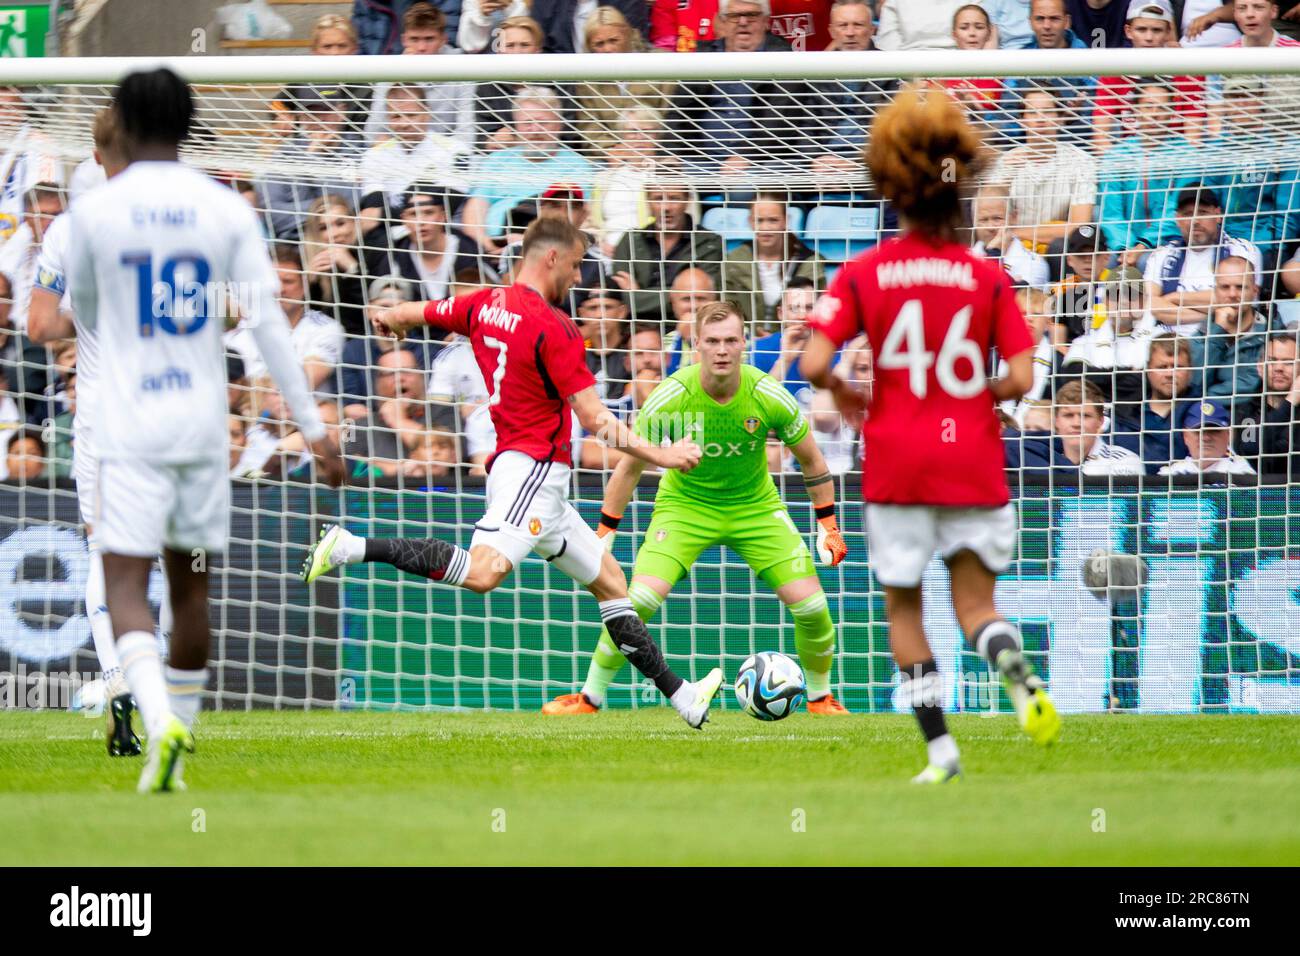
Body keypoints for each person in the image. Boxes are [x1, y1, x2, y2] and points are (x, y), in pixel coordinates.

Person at [301, 217, 726, 729]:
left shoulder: (485, 303)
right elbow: (597, 422)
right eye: (573, 267)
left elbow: (425, 311)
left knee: (613, 584)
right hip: (533, 472)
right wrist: (666, 456)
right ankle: (349, 545)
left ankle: (683, 697)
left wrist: (393, 315)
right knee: (483, 574)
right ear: (550, 258)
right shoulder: (554, 327)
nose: (577, 278)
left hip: (537, 478)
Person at [64, 67, 343, 793]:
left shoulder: (95, 210)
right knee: (193, 592)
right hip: (199, 424)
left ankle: (158, 719)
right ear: (189, 126)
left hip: (127, 422)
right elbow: (266, 323)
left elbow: (83, 312)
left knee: (124, 579)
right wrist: (313, 427)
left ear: (120, 124)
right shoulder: (224, 209)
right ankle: (178, 737)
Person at [801, 87, 1059, 783]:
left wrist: (853, 395)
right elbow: (1022, 375)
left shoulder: (865, 271)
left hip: (898, 460)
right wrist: (976, 392)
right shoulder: (986, 277)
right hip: (971, 454)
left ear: (891, 186)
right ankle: (1014, 668)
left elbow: (813, 363)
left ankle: (941, 753)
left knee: (904, 606)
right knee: (976, 605)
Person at [542, 300, 850, 715]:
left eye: (729, 341)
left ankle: (819, 698)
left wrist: (827, 525)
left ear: (743, 345)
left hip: (755, 508)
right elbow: (630, 466)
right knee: (637, 601)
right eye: (712, 341)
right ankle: (589, 697)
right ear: (697, 347)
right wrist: (605, 531)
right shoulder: (671, 397)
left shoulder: (767, 395)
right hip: (684, 507)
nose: (721, 350)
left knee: (812, 607)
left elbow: (813, 461)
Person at [24, 110, 141, 757]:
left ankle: (118, 677)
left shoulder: (69, 228)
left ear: (95, 158)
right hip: (172, 408)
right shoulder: (183, 218)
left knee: (106, 550)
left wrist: (92, 319)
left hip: (100, 412)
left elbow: (40, 327)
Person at [462, 86, 593, 255]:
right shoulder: (495, 161)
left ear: (559, 124)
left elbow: (579, 219)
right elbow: (475, 210)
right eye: (527, 123)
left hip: (548, 249)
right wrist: (485, 243)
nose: (535, 130)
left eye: (543, 122)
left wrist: (527, 243)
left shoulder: (577, 166)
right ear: (516, 126)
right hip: (491, 247)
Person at [1143, 185, 1264, 336]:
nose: (1195, 221)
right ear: (1177, 219)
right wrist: (1210, 315)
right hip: (1171, 345)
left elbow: (1238, 301)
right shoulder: (1162, 255)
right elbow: (1153, 306)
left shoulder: (1243, 250)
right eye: (1188, 214)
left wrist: (1173, 298)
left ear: (1218, 214)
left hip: (1223, 340)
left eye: (1203, 213)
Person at [1093, 2, 1206, 151]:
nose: (1149, 37)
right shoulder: (1114, 70)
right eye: (1141, 29)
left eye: (1157, 30)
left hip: (1178, 160)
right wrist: (1118, 166)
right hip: (1129, 160)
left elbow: (1193, 140)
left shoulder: (1189, 71)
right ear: (1128, 31)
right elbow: (1100, 137)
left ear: (1168, 32)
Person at [363, 4, 474, 153]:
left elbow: (466, 135)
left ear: (443, 40)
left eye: (429, 39)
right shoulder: (390, 71)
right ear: (404, 40)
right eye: (414, 39)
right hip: (401, 159)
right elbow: (373, 134)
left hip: (446, 158)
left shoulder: (463, 67)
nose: (421, 47)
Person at [610, 184, 724, 326]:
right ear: (648, 202)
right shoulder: (630, 240)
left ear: (687, 201)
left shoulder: (709, 242)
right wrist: (680, 296)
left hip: (689, 325)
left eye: (674, 198)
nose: (666, 208)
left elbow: (704, 298)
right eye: (658, 199)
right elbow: (619, 297)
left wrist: (637, 295)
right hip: (636, 329)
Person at [723, 193, 825, 332]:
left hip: (797, 339)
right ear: (750, 221)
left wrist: (775, 340)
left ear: (786, 220)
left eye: (773, 220)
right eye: (759, 220)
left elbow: (817, 311)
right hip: (745, 342)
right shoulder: (734, 260)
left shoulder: (809, 261)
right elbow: (727, 308)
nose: (765, 228)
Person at [1008, 379, 1147, 474]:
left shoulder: (1124, 462)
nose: (1076, 423)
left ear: (1100, 421)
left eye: (1085, 416)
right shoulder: (1038, 460)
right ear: (1056, 421)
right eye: (1068, 416)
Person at [1232, 330, 1300, 479]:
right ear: (1260, 368)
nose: (1279, 368)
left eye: (1289, 362)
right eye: (1272, 360)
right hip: (1259, 499)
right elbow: (1251, 448)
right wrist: (1290, 401)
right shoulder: (1246, 411)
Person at [1159, 398, 1257, 474]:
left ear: (1228, 435)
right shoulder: (1171, 473)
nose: (1206, 438)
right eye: (1198, 431)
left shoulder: (1241, 472)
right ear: (1185, 436)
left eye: (1213, 431)